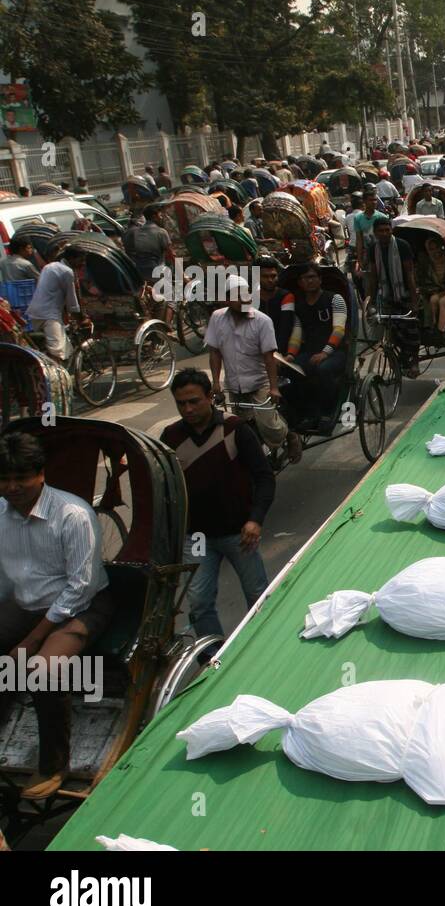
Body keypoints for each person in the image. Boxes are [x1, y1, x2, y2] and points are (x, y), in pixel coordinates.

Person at [0, 432, 113, 799]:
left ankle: (53, 765)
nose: (12, 487)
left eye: (21, 477)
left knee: (41, 671)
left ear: (41, 473)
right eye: (4, 478)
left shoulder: (72, 514)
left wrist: (30, 642)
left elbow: (81, 587)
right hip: (26, 602)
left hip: (82, 605)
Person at [161, 369, 274, 647]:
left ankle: (260, 648)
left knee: (258, 595)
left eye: (194, 401)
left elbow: (264, 478)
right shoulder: (170, 438)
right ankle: (212, 657)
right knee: (198, 602)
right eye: (181, 403)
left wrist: (255, 520)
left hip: (239, 534)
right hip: (197, 537)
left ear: (210, 397)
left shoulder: (235, 429)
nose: (187, 409)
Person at [204, 274, 299, 463]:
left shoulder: (262, 321)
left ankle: (290, 436)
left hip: (259, 382)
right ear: (227, 299)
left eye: (246, 294)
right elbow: (214, 352)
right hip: (234, 384)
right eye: (238, 296)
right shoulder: (217, 318)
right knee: (241, 428)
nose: (244, 299)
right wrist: (215, 382)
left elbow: (269, 356)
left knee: (270, 427)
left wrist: (273, 387)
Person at [282, 263, 349, 429]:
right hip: (310, 351)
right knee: (290, 369)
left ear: (320, 279)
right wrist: (290, 354)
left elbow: (339, 330)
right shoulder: (299, 305)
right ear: (300, 283)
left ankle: (328, 412)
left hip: (335, 352)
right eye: (305, 278)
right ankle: (305, 413)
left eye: (312, 277)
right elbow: (297, 332)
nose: (309, 281)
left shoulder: (335, 299)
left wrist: (325, 353)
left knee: (323, 369)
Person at [26, 247, 87, 361]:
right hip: (49, 315)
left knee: (51, 347)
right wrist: (81, 318)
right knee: (57, 351)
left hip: (34, 312)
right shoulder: (67, 272)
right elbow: (71, 300)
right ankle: (55, 377)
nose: (83, 263)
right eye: (81, 260)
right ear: (72, 258)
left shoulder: (49, 266)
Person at [415, 235, 445, 347]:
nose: (435, 251)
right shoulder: (427, 263)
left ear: (441, 247)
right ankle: (433, 328)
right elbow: (424, 281)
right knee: (433, 300)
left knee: (443, 302)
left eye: (437, 248)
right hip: (438, 291)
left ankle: (441, 332)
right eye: (431, 249)